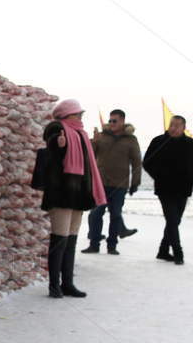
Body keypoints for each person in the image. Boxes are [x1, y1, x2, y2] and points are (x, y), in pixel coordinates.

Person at [37, 98, 105, 298]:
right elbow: (51, 145)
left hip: (78, 195)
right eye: (78, 114)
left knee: (72, 239)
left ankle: (68, 282)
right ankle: (54, 285)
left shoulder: (81, 134)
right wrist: (58, 145)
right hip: (61, 194)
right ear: (68, 115)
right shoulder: (58, 128)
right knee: (59, 239)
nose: (81, 117)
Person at [81, 108, 142, 255]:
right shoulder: (101, 136)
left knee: (115, 215)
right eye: (110, 120)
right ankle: (94, 244)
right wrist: (93, 142)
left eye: (115, 121)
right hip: (101, 183)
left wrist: (135, 183)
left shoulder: (131, 140)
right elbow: (90, 154)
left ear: (122, 121)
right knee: (95, 214)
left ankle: (112, 246)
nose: (112, 123)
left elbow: (136, 162)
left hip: (120, 185)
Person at [142, 114, 193, 265]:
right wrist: (159, 176)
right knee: (172, 219)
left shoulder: (189, 143)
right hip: (165, 188)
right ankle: (178, 253)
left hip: (183, 189)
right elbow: (147, 162)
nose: (173, 128)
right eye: (171, 124)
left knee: (175, 220)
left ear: (183, 127)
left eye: (177, 125)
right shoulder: (158, 141)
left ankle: (163, 251)